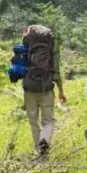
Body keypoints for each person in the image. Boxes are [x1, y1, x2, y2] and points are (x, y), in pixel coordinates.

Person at [22, 25, 67, 156]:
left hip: (29, 87)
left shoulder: (27, 41)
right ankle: (44, 140)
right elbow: (56, 71)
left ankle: (38, 150)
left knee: (33, 121)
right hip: (46, 87)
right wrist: (61, 91)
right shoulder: (52, 43)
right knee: (48, 120)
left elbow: (19, 63)